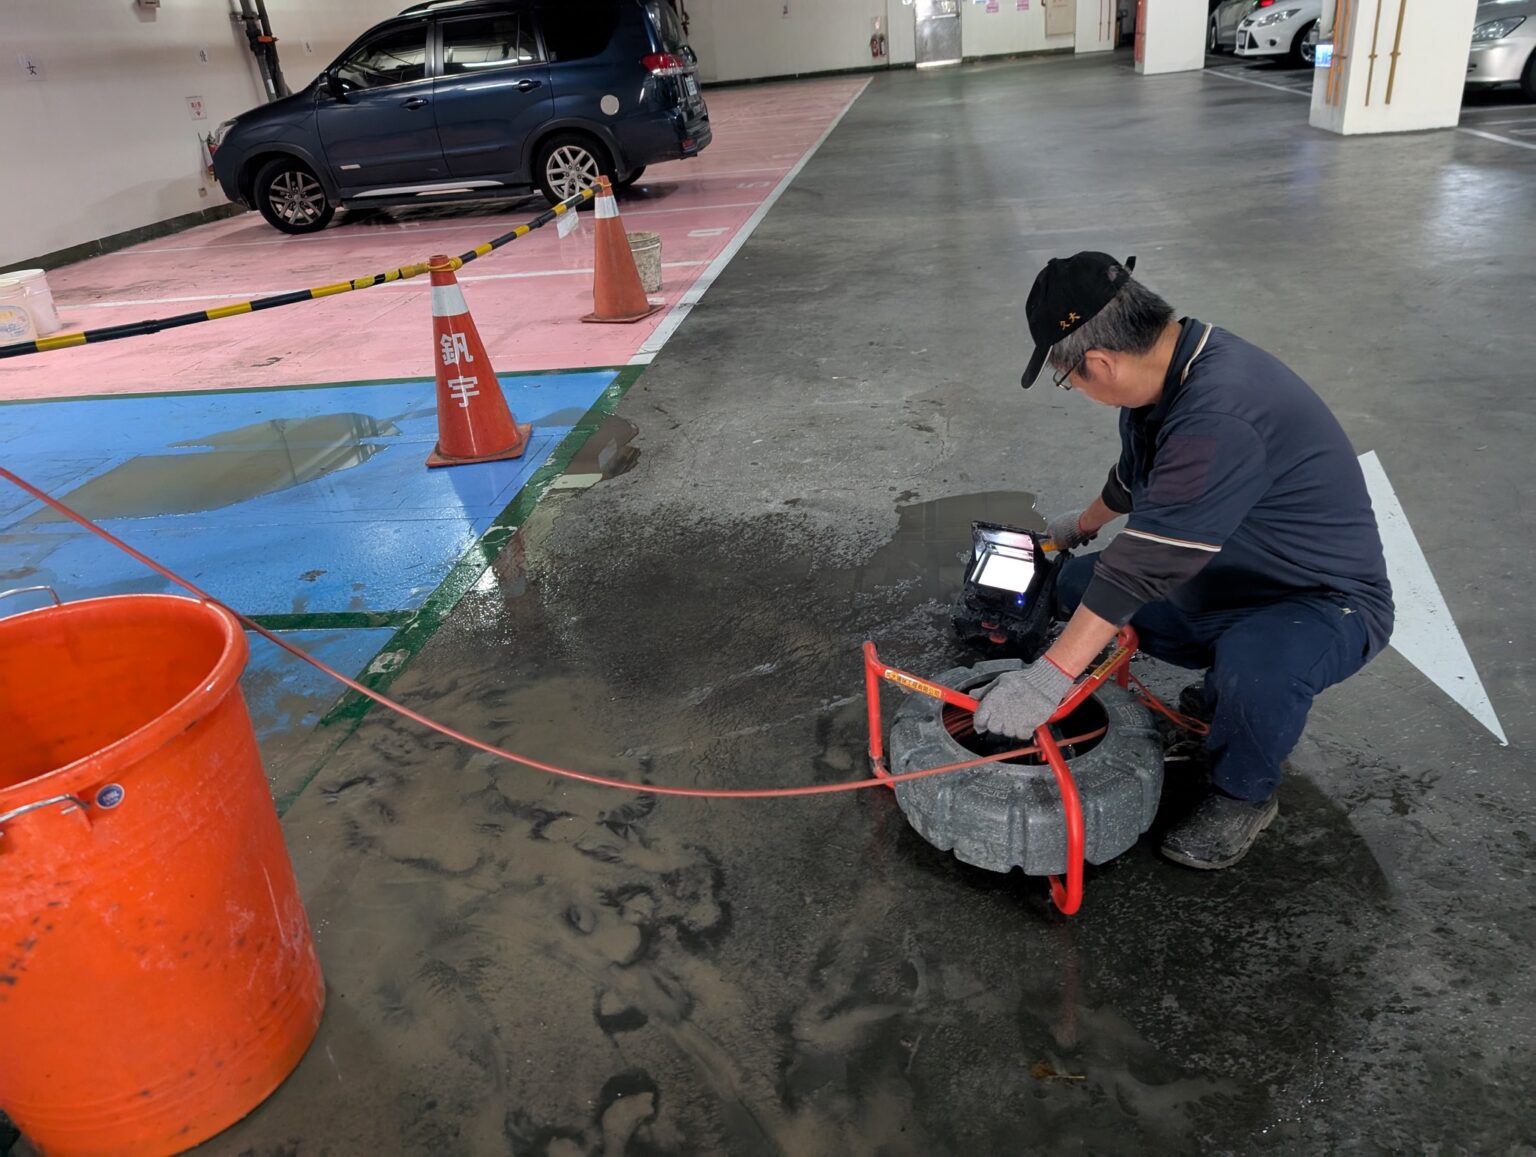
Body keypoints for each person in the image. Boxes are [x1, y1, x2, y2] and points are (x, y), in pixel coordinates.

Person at [973, 252, 1393, 870]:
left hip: (1320, 601)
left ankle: (1243, 793)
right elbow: (1134, 478)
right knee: (1076, 584)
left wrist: (1049, 678)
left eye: (1069, 380)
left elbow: (1144, 566)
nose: (1078, 390)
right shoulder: (1167, 375)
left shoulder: (1221, 412)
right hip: (1229, 574)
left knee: (1256, 670)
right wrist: (1080, 525)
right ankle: (1223, 694)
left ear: (1099, 363)